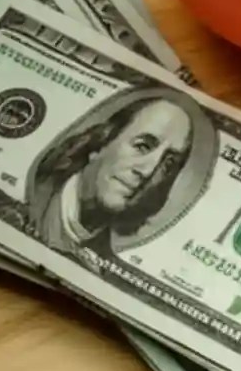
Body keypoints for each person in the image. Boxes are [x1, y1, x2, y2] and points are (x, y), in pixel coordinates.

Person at [29, 94, 194, 261]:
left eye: (168, 164)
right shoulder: (26, 200)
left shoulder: (103, 267)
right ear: (101, 143)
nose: (148, 171)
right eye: (142, 146)